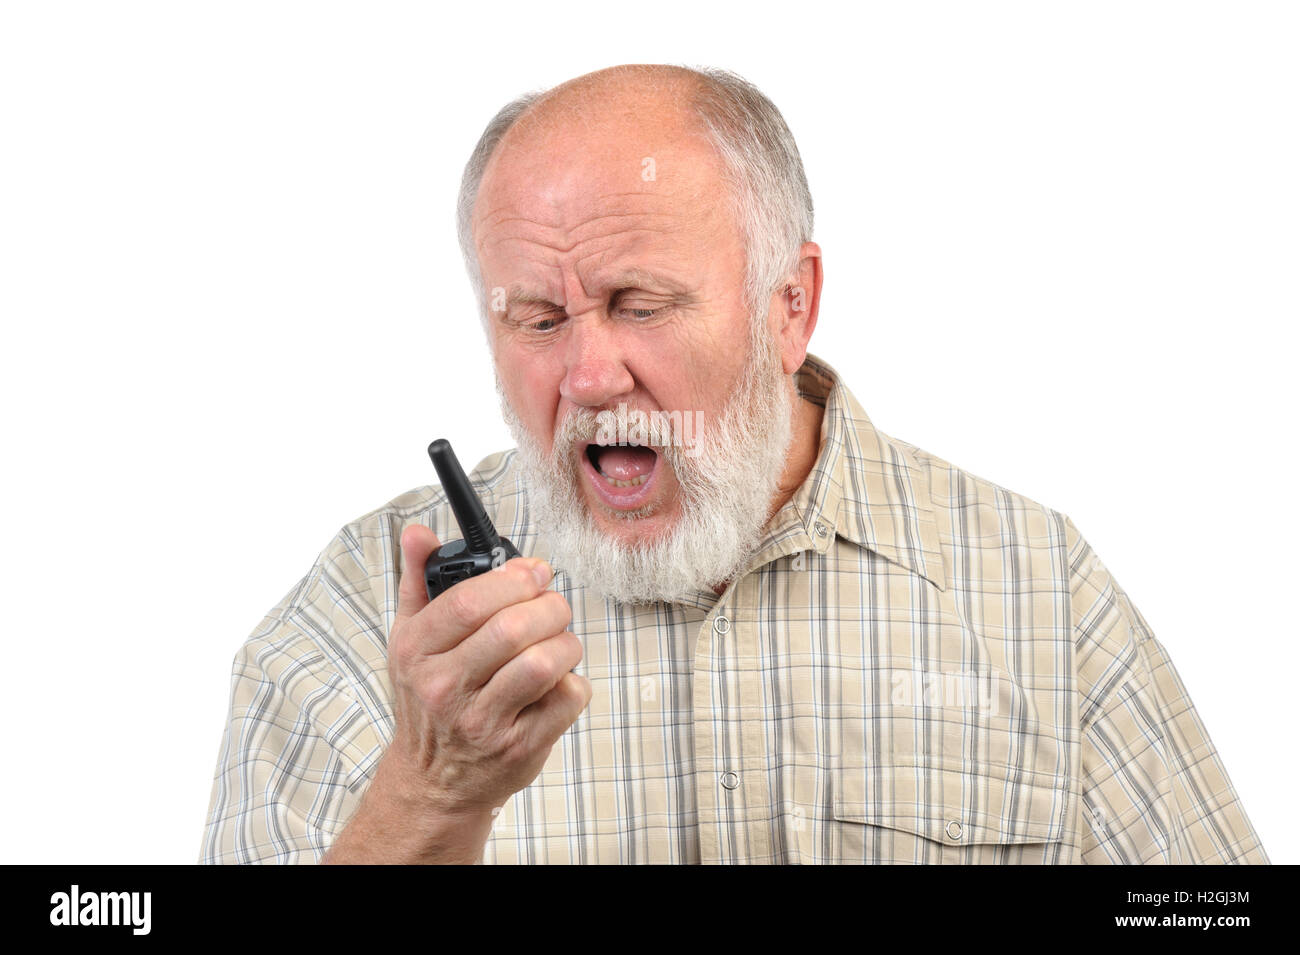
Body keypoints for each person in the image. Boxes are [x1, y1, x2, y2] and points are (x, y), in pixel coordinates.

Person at [199, 64, 1268, 864]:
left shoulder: (1035, 589)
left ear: (789, 304)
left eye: (638, 305)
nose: (585, 376)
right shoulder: (356, 621)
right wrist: (430, 792)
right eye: (535, 318)